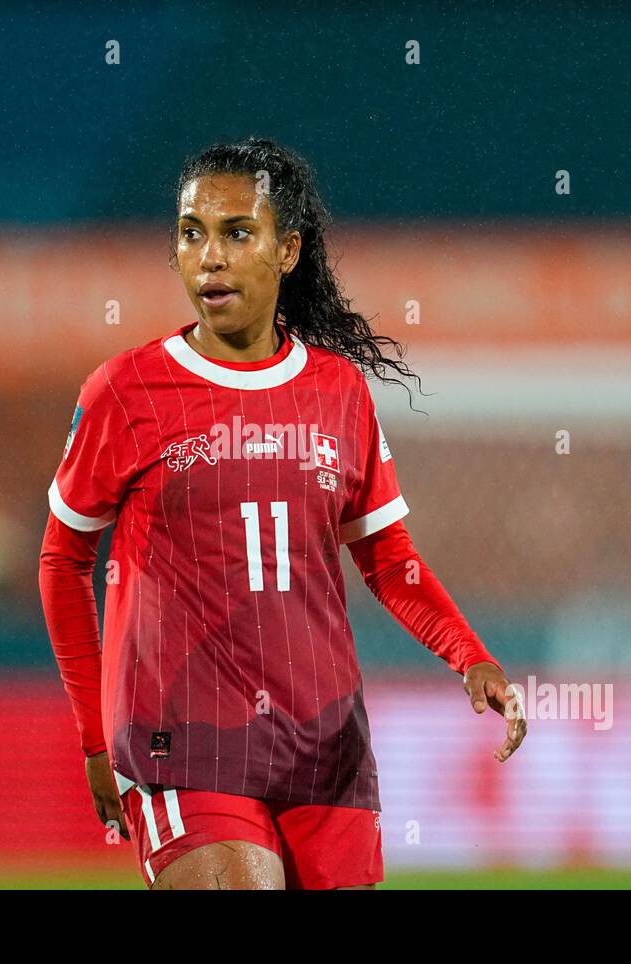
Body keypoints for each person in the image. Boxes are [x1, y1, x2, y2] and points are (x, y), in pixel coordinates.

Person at [39, 136, 526, 890]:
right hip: (182, 742)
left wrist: (471, 654)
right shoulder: (125, 392)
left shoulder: (338, 392)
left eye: (238, 233)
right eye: (191, 232)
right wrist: (95, 740)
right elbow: (63, 559)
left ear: (288, 249)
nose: (209, 256)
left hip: (323, 745)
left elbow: (387, 556)